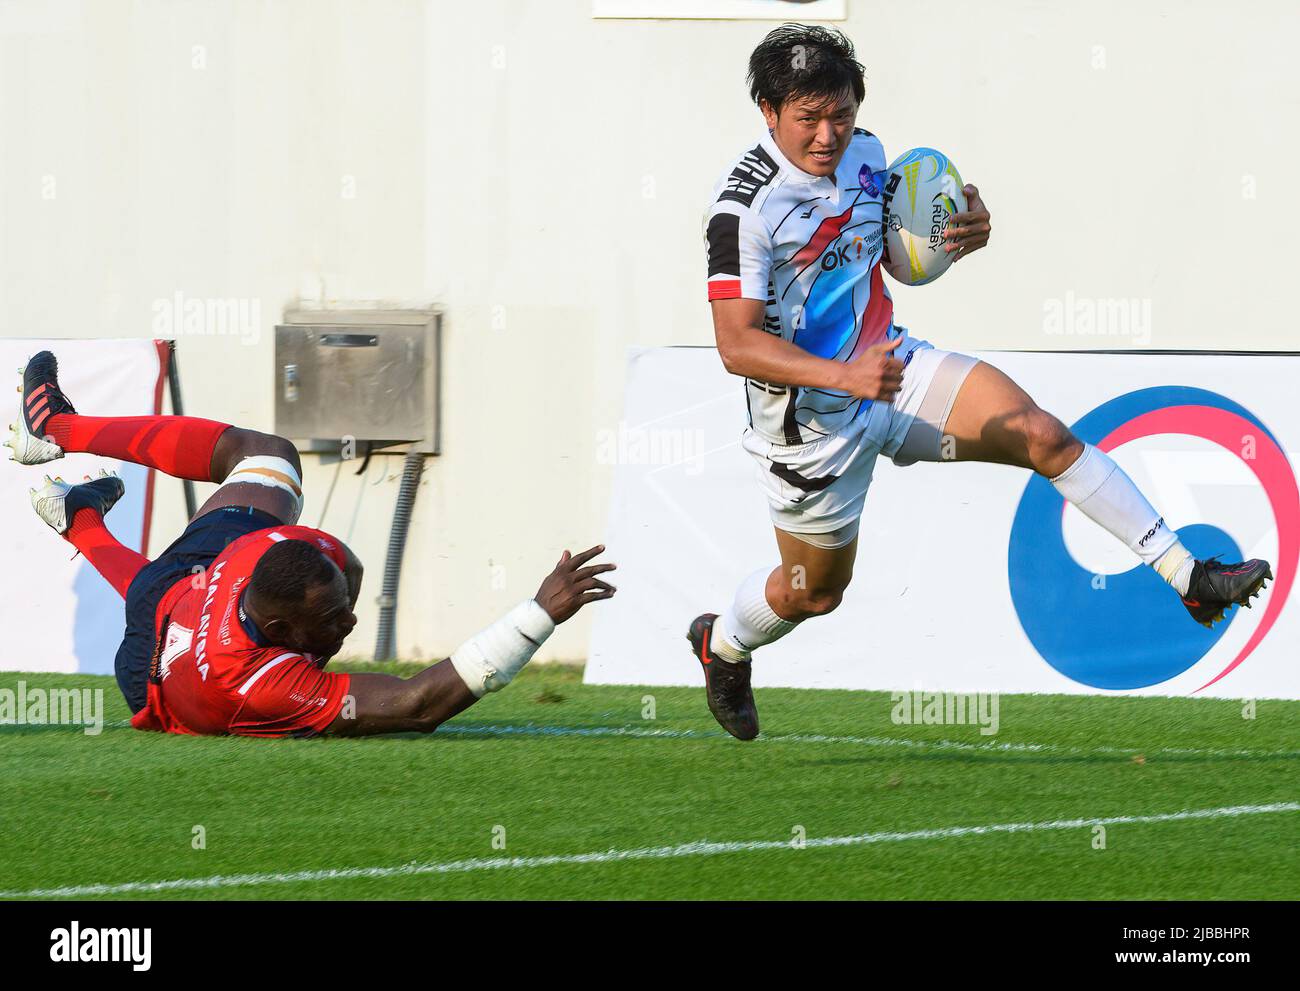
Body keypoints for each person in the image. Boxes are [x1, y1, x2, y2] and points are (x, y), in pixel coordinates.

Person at [690, 24, 1272, 740]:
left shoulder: (869, 155)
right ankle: (723, 645)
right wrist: (845, 375)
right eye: (808, 119)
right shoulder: (744, 210)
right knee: (814, 596)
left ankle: (1190, 577)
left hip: (894, 367)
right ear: (769, 113)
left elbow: (895, 262)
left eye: (839, 113)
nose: (828, 134)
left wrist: (955, 239)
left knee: (1043, 435)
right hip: (812, 431)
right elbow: (735, 344)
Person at [7, 350, 615, 737]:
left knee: (266, 457)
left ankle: (63, 457)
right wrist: (538, 615)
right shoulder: (261, 683)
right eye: (330, 619)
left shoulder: (269, 551)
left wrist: (324, 617)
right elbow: (418, 707)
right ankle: (74, 497)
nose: (351, 619)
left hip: (190, 586)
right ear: (280, 630)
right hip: (149, 677)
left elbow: (343, 563)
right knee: (158, 590)